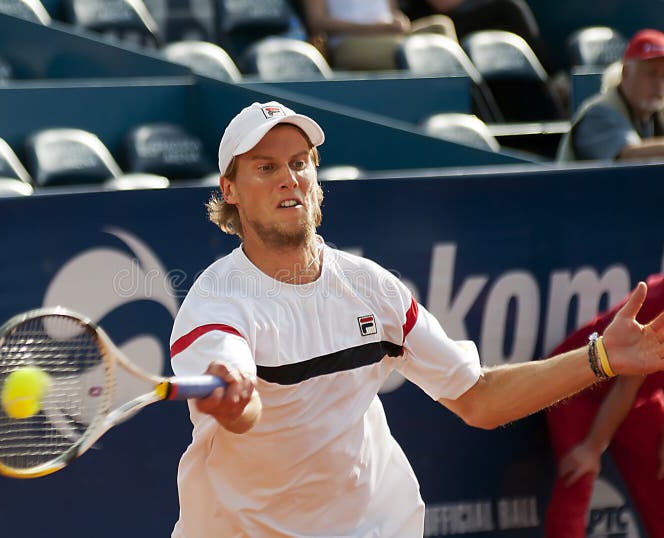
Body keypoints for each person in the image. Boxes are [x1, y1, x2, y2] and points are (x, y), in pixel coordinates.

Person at [168, 99, 664, 537]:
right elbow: (234, 377)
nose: (288, 177)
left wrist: (602, 357)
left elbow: (479, 398)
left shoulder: (373, 289)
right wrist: (233, 393)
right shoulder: (216, 303)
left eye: (300, 163)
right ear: (229, 189)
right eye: (265, 167)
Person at [545, 273, 664, 538]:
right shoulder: (660, 305)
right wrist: (592, 448)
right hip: (575, 386)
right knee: (580, 473)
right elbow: (626, 384)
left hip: (635, 396)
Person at [557, 29, 664, 162]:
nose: (659, 85)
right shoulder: (598, 114)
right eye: (651, 74)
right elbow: (628, 157)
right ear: (626, 73)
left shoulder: (657, 113)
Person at [400, 0, 553, 74]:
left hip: (457, 14)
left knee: (511, 9)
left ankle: (550, 79)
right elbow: (444, 4)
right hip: (425, 19)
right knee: (507, 10)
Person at [301, 0, 457, 71]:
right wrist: (374, 28)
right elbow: (317, 22)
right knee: (408, 51)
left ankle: (459, 95)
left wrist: (400, 23)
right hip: (349, 44)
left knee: (440, 27)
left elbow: (393, 13)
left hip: (390, 38)